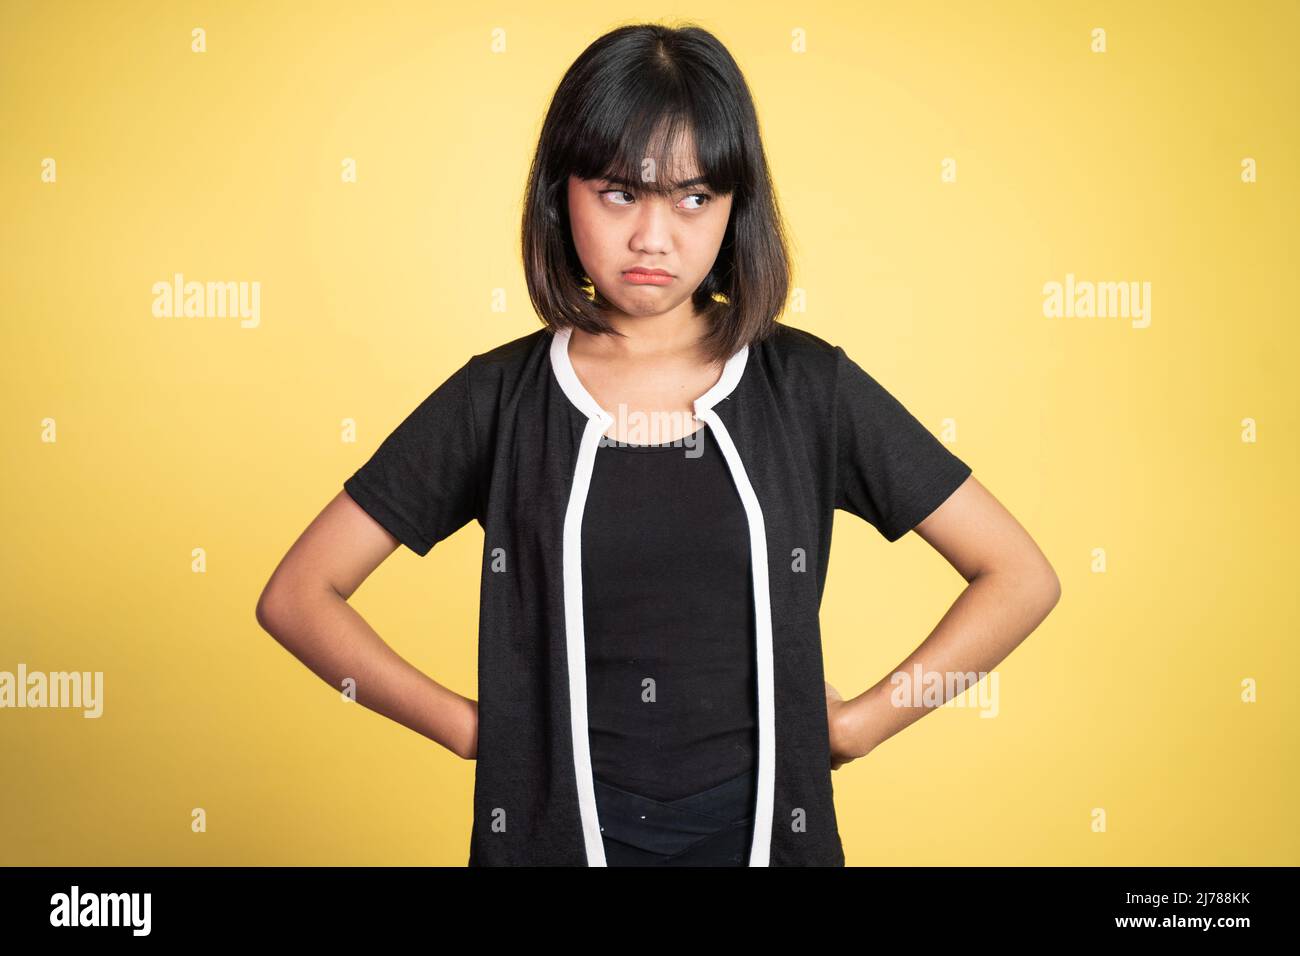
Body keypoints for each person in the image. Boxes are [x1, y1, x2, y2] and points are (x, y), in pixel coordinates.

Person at [255, 22, 1061, 867]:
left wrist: (860, 726)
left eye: (692, 197)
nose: (653, 237)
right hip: (549, 842)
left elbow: (1018, 578)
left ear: (733, 207)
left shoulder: (806, 388)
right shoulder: (499, 398)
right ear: (560, 194)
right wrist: (470, 728)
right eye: (617, 192)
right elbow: (300, 596)